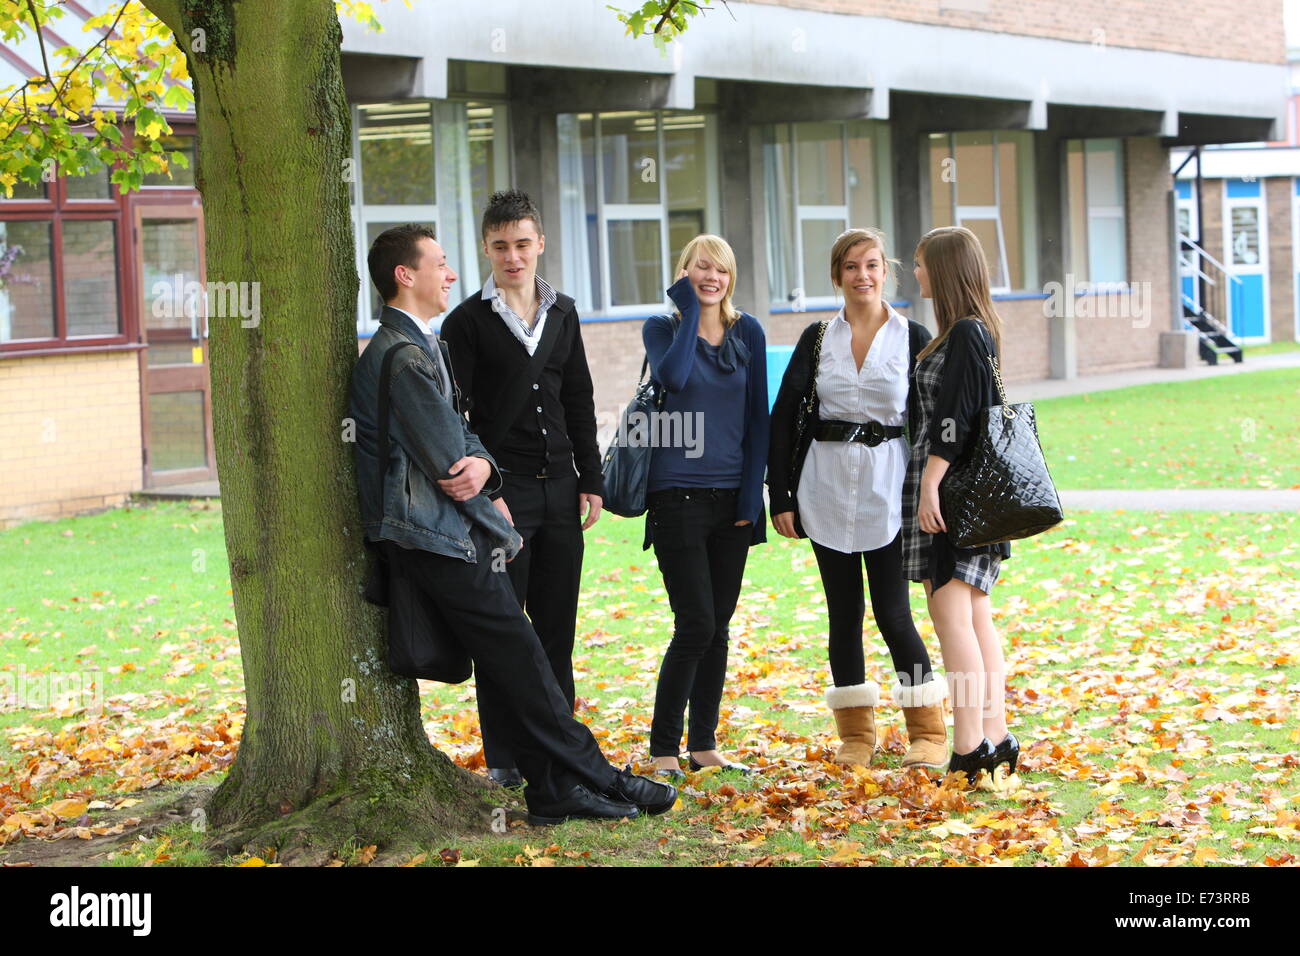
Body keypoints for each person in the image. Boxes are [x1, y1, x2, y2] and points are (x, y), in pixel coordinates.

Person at [348, 223, 676, 824]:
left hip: (446, 533)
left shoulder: (424, 347)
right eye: (440, 264)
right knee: (522, 657)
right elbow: (453, 465)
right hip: (433, 540)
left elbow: (467, 439)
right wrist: (494, 505)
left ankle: (556, 791)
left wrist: (486, 468)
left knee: (518, 658)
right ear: (406, 275)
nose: (450, 275)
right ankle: (597, 775)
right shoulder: (400, 358)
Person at [768, 228, 949, 770]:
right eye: (851, 266)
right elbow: (784, 416)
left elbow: (937, 416)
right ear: (837, 275)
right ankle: (856, 737)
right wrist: (781, 493)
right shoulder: (817, 338)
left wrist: (932, 487)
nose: (862, 275)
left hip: (890, 488)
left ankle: (927, 730)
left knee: (895, 614)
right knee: (843, 615)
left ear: (886, 272)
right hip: (824, 485)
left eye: (872, 265)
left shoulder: (913, 335)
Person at [440, 190, 603, 791]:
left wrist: (591, 480)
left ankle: (561, 753)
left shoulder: (565, 313)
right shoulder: (464, 323)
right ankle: (507, 757)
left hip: (562, 491)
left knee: (557, 627)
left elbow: (579, 398)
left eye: (523, 244)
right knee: (506, 631)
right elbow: (456, 414)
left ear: (540, 245)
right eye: (501, 246)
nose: (513, 256)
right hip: (501, 498)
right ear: (486, 247)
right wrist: (487, 492)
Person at [641, 235, 770, 780]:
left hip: (730, 501)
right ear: (684, 274)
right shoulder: (663, 329)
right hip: (676, 498)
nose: (710, 276)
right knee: (693, 622)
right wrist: (690, 311)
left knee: (718, 625)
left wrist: (751, 494)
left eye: (719, 268)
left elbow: (758, 418)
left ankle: (703, 743)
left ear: (731, 275)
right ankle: (662, 748)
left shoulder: (749, 332)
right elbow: (672, 377)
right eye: (700, 268)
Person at [903, 224, 1018, 788]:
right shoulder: (973, 332)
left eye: (921, 262)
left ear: (944, 269)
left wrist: (930, 483)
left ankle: (970, 745)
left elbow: (954, 419)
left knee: (952, 620)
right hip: (969, 499)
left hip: (953, 499)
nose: (915, 271)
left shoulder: (966, 334)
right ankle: (993, 736)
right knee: (973, 618)